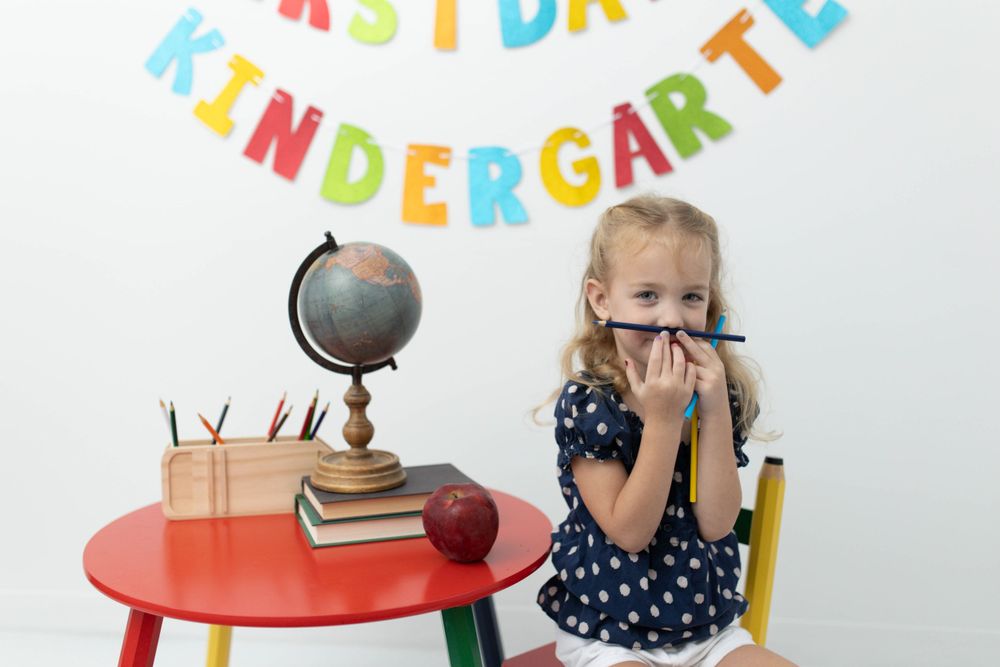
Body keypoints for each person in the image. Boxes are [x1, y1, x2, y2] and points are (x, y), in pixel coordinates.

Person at [535, 196, 794, 667]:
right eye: (648, 295)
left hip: (707, 629)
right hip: (608, 631)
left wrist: (713, 412)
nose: (672, 319)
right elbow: (630, 533)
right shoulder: (590, 402)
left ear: (710, 304)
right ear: (601, 299)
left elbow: (716, 524)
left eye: (691, 296)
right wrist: (663, 420)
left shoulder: (721, 393)